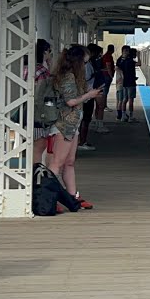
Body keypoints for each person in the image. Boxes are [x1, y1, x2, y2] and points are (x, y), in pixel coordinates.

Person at [51, 45, 100, 209]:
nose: (86, 66)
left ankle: (72, 197)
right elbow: (70, 101)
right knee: (57, 163)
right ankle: (51, 197)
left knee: (69, 162)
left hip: (72, 125)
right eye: (85, 63)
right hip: (63, 125)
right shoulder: (68, 77)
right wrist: (89, 95)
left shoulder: (73, 77)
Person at [33, 38, 55, 165]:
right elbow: (48, 89)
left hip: (24, 110)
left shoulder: (26, 68)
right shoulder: (42, 71)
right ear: (45, 52)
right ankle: (37, 175)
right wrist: (50, 62)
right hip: (39, 112)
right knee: (39, 145)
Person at [115, 46, 140, 121]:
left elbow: (118, 68)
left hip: (124, 83)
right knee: (131, 100)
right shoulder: (130, 61)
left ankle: (123, 116)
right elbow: (139, 63)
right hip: (131, 83)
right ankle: (131, 117)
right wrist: (139, 56)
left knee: (124, 99)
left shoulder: (122, 61)